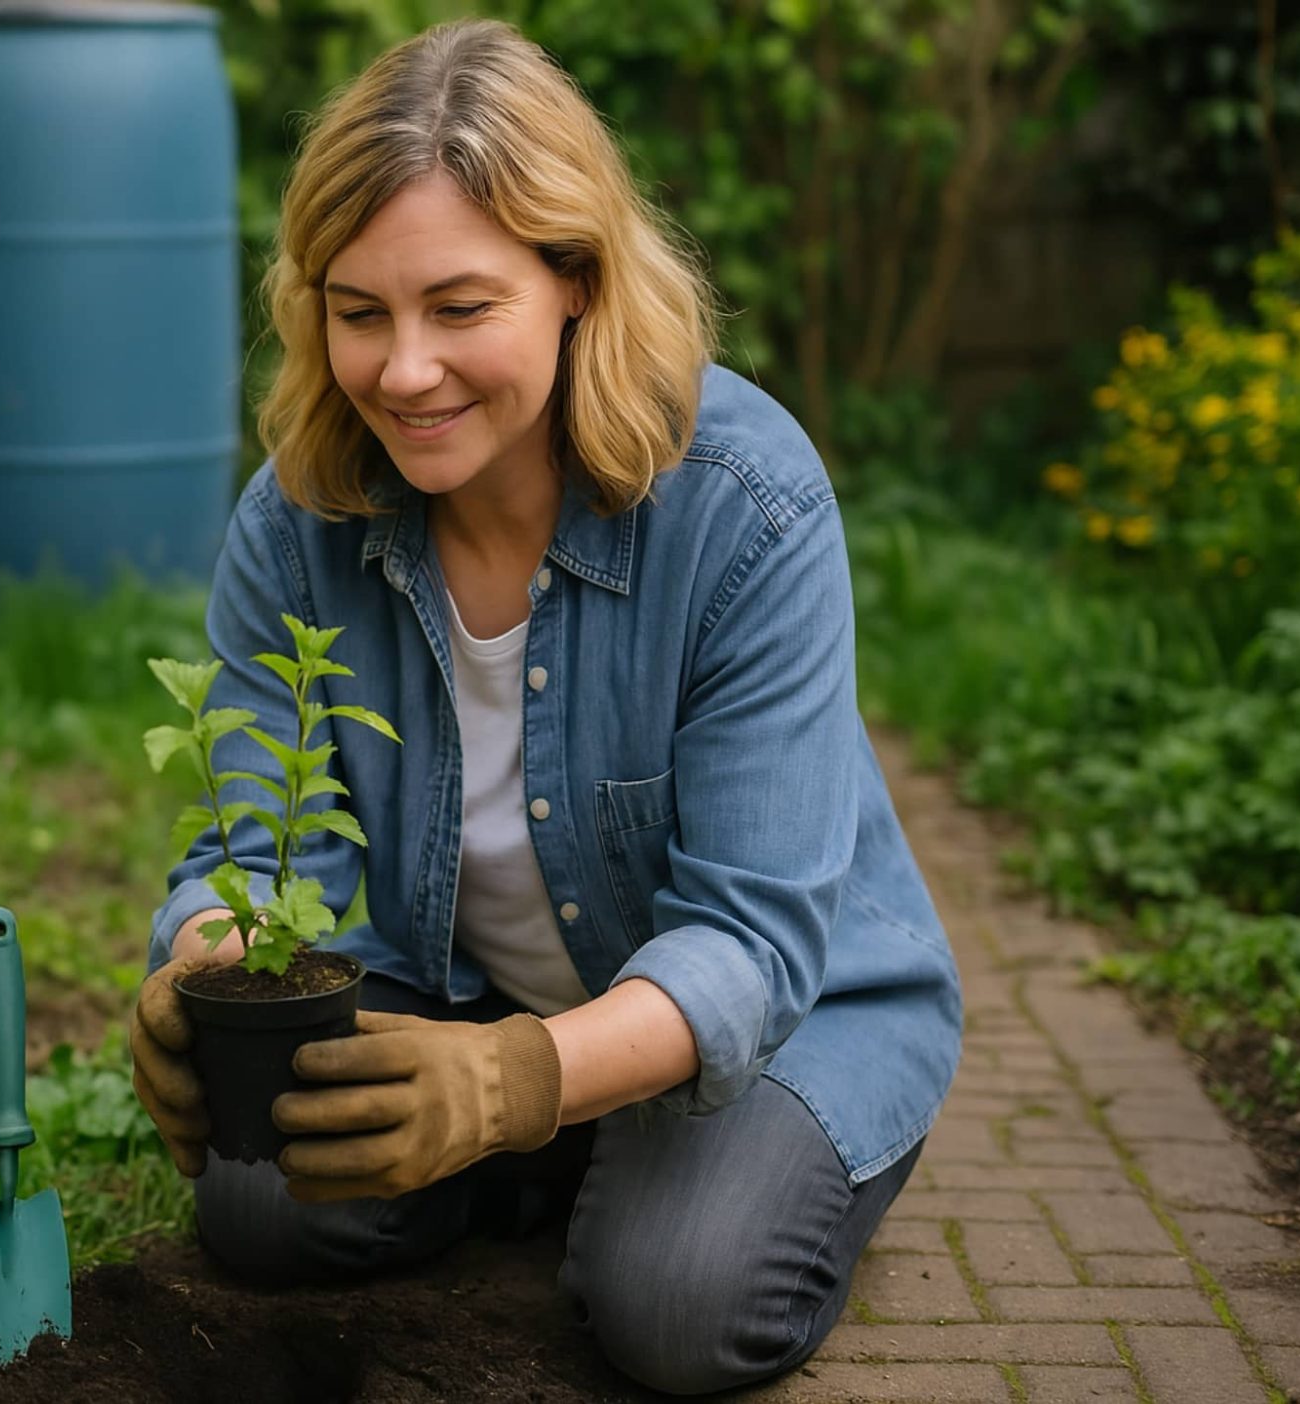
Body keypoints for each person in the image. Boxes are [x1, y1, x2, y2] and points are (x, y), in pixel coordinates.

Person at [131, 16, 963, 1396]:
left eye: (460, 308)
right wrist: (203, 967)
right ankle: (556, 1159)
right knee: (260, 1207)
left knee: (678, 1306)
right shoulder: (299, 521)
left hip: (784, 1012)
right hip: (461, 987)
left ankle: (642, 1158)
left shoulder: (745, 509)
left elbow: (753, 937)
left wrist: (511, 1087)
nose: (405, 371)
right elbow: (264, 859)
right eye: (359, 312)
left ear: (573, 279)